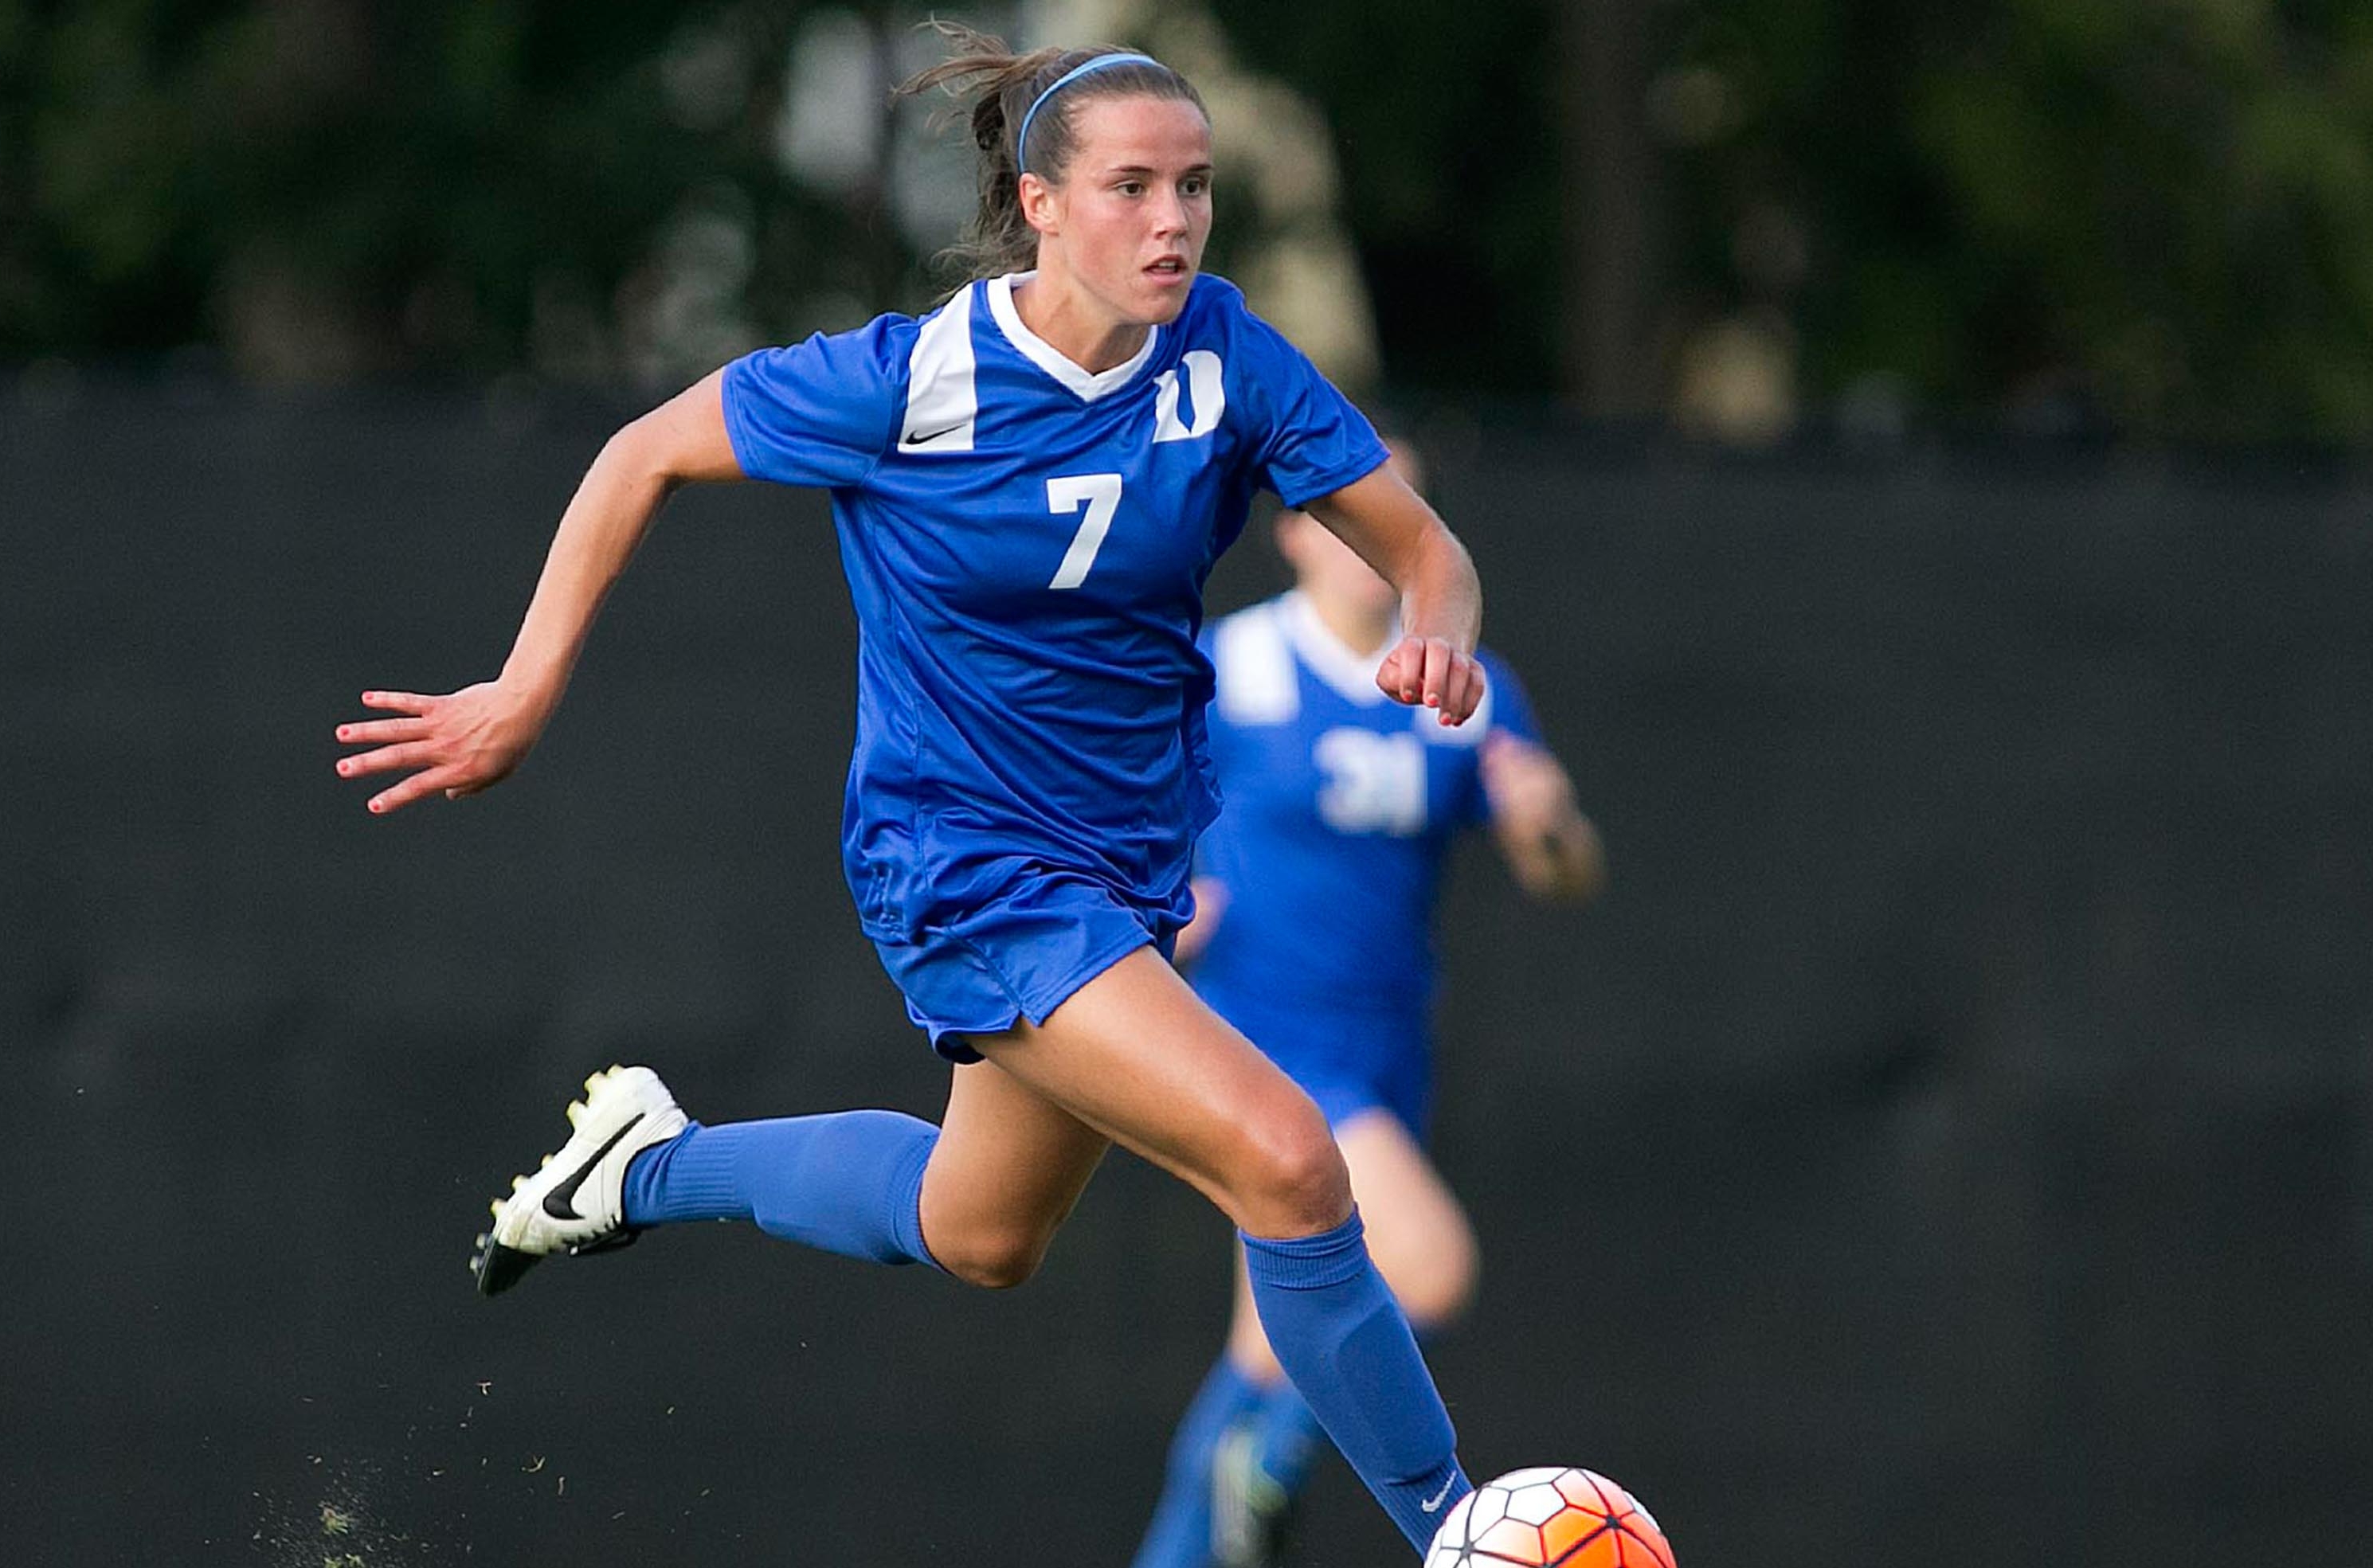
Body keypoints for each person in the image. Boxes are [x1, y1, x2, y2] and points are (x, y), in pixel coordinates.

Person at [334, 29, 1498, 1559]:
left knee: (981, 1230)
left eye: (1197, 186)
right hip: (964, 865)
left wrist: (1438, 634)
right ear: (1040, 204)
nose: (1174, 221)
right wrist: (526, 681)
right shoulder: (910, 378)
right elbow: (640, 454)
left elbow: (1426, 554)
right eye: (1132, 187)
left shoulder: (1224, 355)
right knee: (1286, 1158)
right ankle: (1462, 1530)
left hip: (1126, 871)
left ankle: (646, 1163)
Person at [1130, 448, 1605, 1568]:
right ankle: (1278, 1469)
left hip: (1386, 1050)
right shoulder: (1232, 664)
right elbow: (1125, 820)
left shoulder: (1463, 684)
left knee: (1268, 1353)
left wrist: (1546, 823)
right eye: (1342, 515)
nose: (1369, 540)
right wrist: (1159, 912)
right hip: (1266, 1043)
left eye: (1397, 512)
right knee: (1429, 1263)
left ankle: (1203, 1524)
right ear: (1294, 532)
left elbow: (1566, 872)